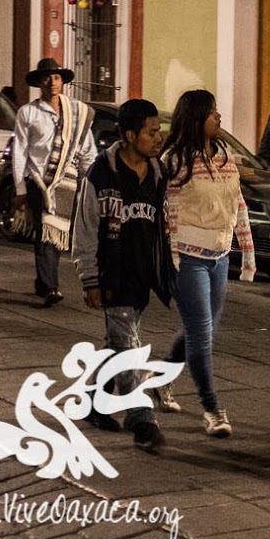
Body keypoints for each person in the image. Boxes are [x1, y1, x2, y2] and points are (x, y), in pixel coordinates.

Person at [73, 98, 176, 454]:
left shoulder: (158, 173)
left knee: (118, 343)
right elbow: (85, 230)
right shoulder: (100, 175)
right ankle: (142, 419)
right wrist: (90, 278)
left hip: (143, 275)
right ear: (130, 135)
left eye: (159, 131)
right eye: (151, 132)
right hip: (112, 276)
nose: (158, 138)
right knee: (129, 348)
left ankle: (89, 401)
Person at [162, 88, 255, 439]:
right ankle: (212, 408)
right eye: (213, 112)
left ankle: (158, 381)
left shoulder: (225, 154)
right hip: (187, 258)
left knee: (202, 331)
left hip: (219, 257)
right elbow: (167, 213)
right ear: (197, 118)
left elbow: (238, 203)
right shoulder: (174, 161)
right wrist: (170, 260)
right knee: (202, 335)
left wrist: (246, 252)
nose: (220, 118)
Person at [10, 58, 96, 307]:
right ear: (39, 82)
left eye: (56, 77)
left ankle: (42, 280)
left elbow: (87, 148)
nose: (52, 82)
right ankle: (51, 287)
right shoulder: (28, 112)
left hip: (66, 182)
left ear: (62, 81)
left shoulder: (76, 112)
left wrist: (87, 179)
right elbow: (20, 152)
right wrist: (20, 189)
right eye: (47, 77)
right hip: (40, 180)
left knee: (54, 234)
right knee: (47, 231)